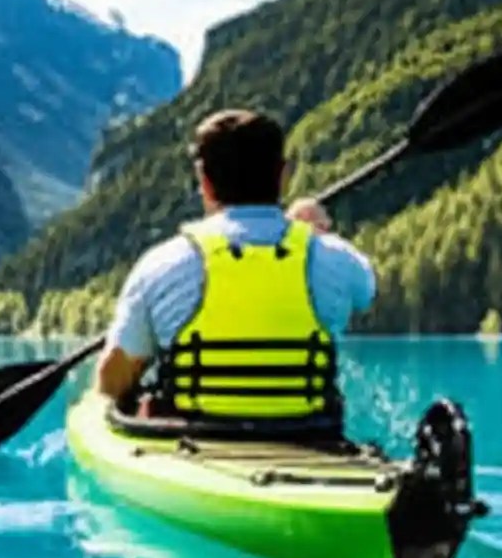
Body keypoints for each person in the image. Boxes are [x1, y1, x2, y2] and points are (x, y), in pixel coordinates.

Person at [93, 108, 376, 424]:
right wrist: (314, 234)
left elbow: (112, 382)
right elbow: (366, 292)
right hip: (308, 436)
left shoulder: (160, 264)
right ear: (284, 176)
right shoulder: (335, 258)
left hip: (192, 440)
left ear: (204, 180)